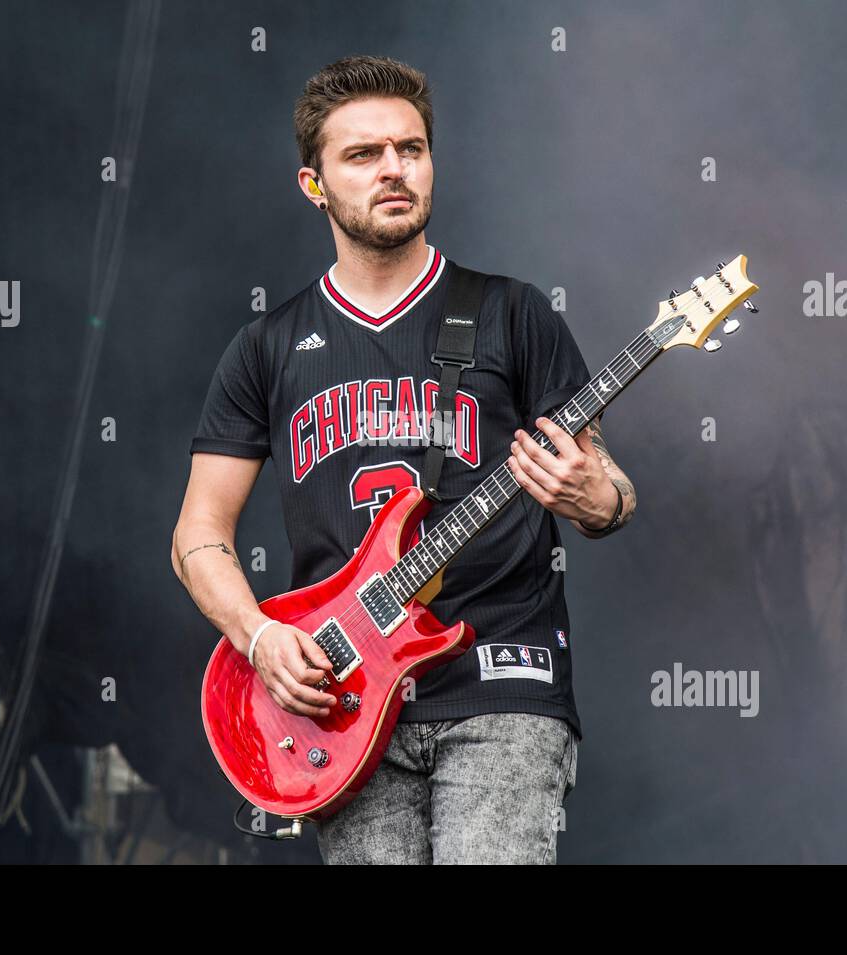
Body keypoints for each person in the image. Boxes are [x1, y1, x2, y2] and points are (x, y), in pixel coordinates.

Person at [171, 55, 636, 864]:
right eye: (362, 154)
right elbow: (198, 535)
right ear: (312, 184)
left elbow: (610, 492)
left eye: (410, 149)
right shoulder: (267, 348)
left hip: (500, 675)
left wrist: (596, 494)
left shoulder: (513, 314)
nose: (394, 168)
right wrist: (258, 637)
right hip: (343, 700)